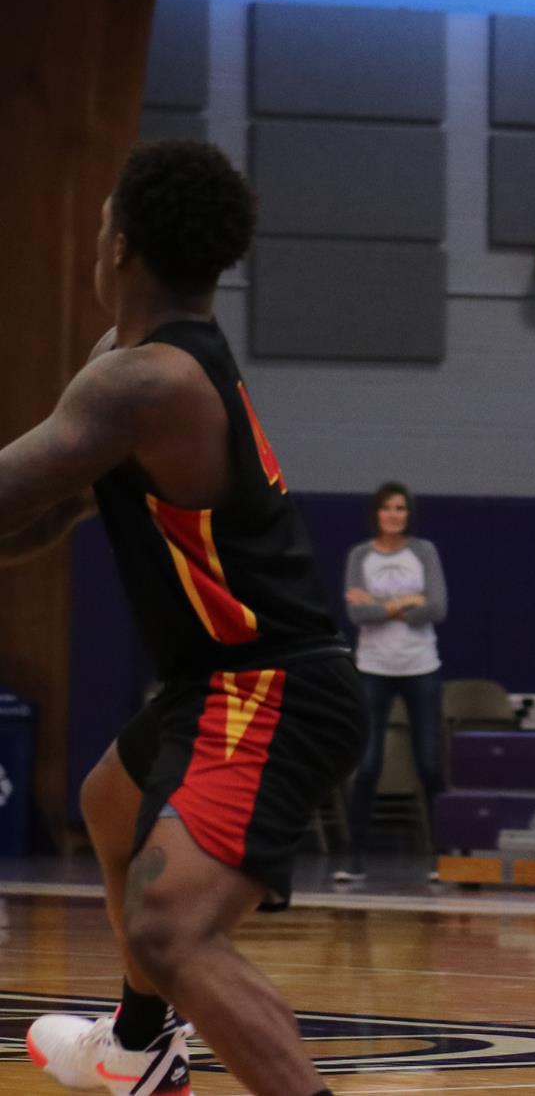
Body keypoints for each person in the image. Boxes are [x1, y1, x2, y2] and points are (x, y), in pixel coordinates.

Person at [4, 141, 364, 1096]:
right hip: (220, 680)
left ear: (120, 245)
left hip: (271, 684)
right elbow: (42, 510)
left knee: (171, 928)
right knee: (110, 802)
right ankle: (139, 1046)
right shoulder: (124, 369)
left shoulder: (145, 383)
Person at [335, 481, 449, 884]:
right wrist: (405, 603)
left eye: (401, 508)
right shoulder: (360, 556)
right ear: (376, 514)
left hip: (421, 667)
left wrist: (381, 606)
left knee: (430, 762)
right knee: (366, 765)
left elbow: (437, 605)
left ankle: (442, 856)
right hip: (373, 668)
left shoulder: (424, 552)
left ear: (408, 514)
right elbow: (356, 616)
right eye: (387, 508)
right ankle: (354, 859)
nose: (394, 515)